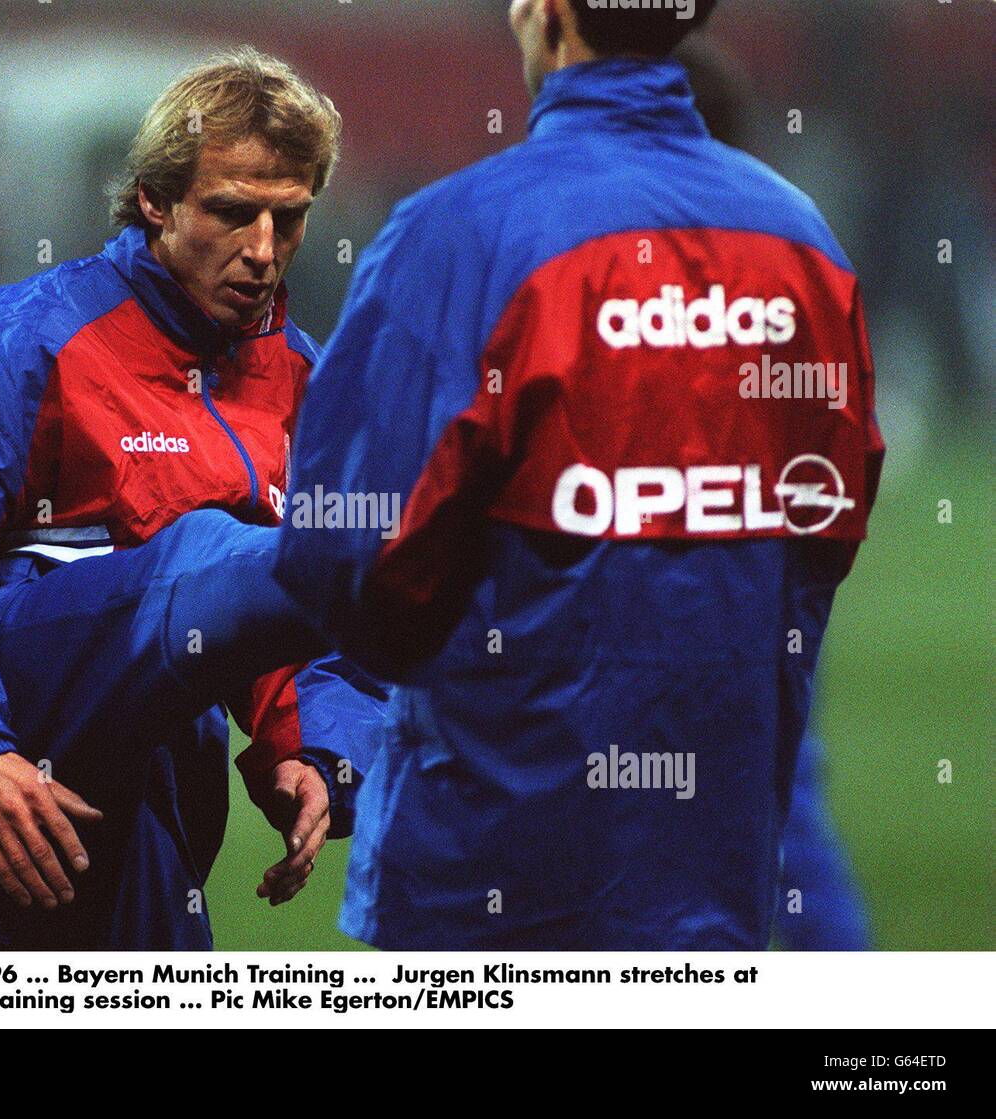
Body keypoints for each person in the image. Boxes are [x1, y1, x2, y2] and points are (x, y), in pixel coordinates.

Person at [274, 1, 885, 949]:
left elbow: (346, 550)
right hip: (711, 871)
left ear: (546, 11)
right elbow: (828, 524)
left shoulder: (460, 233)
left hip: (484, 869)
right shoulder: (801, 242)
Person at [0, 48, 386, 950]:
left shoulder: (301, 378)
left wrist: (318, 748)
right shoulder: (10, 343)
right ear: (155, 202)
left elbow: (309, 637)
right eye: (232, 212)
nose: (263, 251)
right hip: (11, 698)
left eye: (289, 220)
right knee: (203, 553)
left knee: (147, 961)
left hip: (166, 725)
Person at [676, 39, 873, 950]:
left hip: (685, 589)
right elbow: (847, 447)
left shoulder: (609, 271)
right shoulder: (792, 250)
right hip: (770, 581)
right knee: (780, 810)